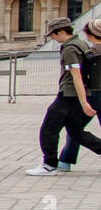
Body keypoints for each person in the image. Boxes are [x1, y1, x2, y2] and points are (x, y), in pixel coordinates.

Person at [28, 17, 101, 175]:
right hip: (77, 94)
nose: (52, 38)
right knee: (76, 132)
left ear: (61, 32)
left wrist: (84, 102)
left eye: (53, 35)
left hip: (68, 95)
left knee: (48, 129)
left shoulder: (70, 49)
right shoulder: (81, 44)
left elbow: (76, 76)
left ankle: (49, 165)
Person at [59, 19, 101, 172]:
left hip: (91, 94)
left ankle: (65, 160)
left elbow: (79, 75)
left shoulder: (89, 53)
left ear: (90, 34)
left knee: (75, 127)